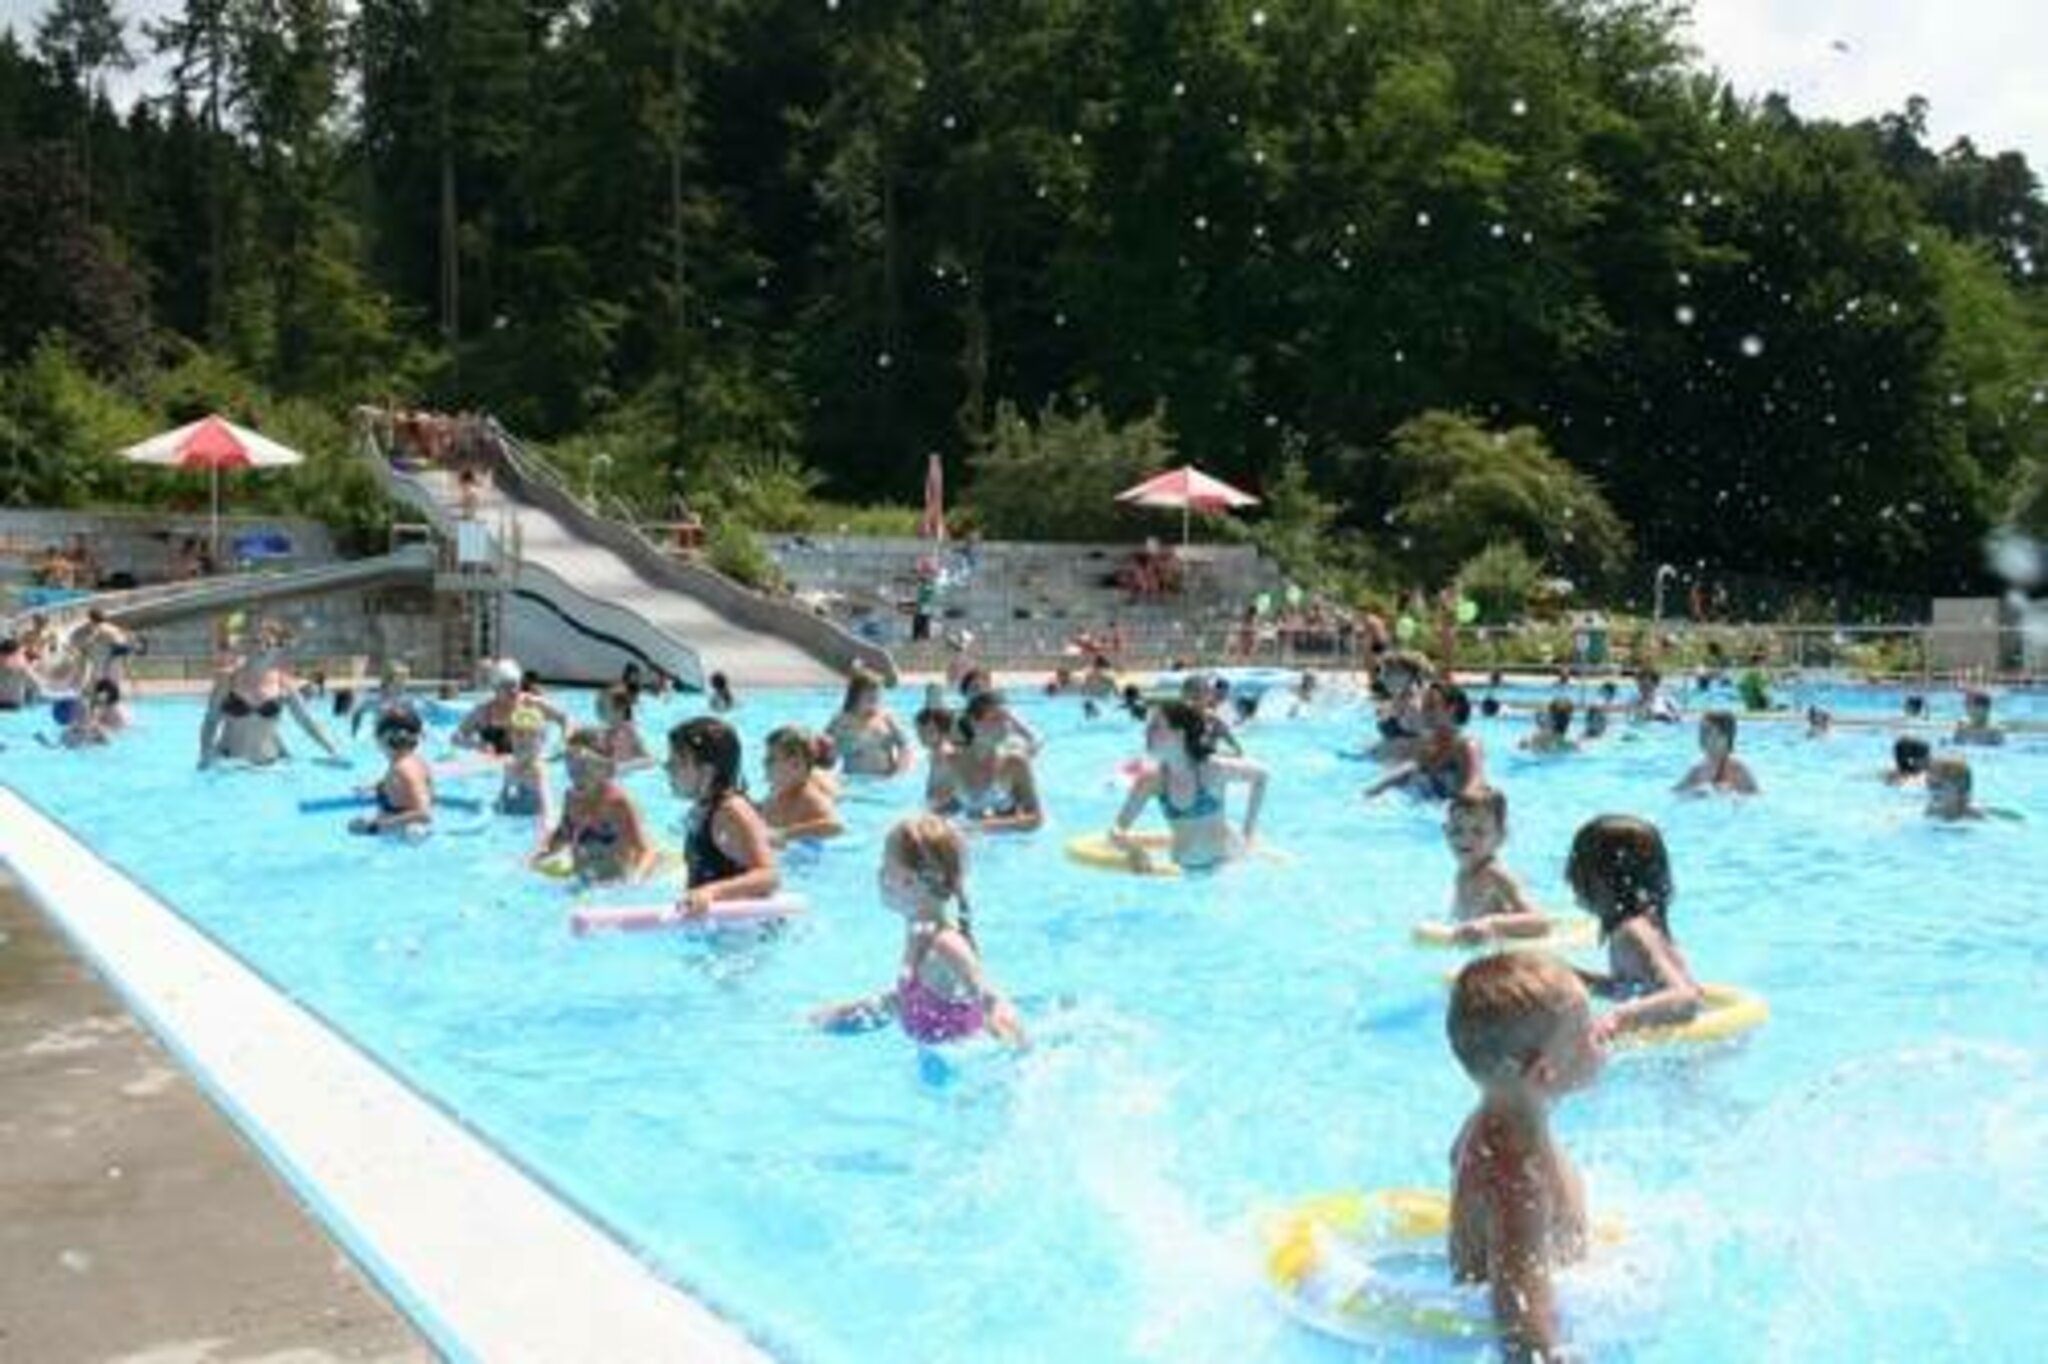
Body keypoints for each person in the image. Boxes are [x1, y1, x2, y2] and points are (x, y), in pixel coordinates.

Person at [1446, 951, 1603, 1362]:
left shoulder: (1497, 1114)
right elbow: (1520, 1323)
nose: (1603, 1032)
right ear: (1545, 1073)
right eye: (1588, 1032)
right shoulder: (1518, 1182)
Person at [811, 815, 1026, 1048]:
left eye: (886, 865)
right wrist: (833, 1018)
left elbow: (993, 1001)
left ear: (911, 881)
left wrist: (1017, 1055)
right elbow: (903, 1000)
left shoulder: (946, 945)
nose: (879, 873)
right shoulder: (921, 933)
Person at [1565, 815, 1705, 1040]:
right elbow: (1633, 988)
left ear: (1605, 880)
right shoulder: (1645, 926)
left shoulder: (1632, 933)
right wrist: (1577, 978)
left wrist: (1617, 1019)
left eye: (1578, 866)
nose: (1570, 877)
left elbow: (1686, 998)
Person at [1106, 700, 1268, 871]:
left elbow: (1262, 775)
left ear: (1179, 734)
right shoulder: (1152, 780)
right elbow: (1115, 830)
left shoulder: (1212, 770)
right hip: (1182, 868)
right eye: (1147, 727)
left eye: (1155, 727)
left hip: (1226, 865)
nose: (1146, 733)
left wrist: (1248, 833)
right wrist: (1133, 850)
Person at [666, 717, 779, 914]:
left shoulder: (731, 812)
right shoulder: (702, 809)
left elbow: (769, 876)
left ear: (707, 772)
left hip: (748, 935)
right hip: (720, 930)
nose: (667, 768)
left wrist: (710, 892)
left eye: (678, 762)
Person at [199, 620, 342, 768]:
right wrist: (204, 756)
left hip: (268, 765)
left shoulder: (283, 684)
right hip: (227, 762)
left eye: (268, 643)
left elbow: (306, 722)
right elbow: (210, 721)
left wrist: (333, 751)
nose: (261, 648)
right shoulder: (228, 679)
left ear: (277, 649)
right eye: (256, 641)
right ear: (246, 645)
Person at [535, 728, 658, 883]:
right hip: (585, 879)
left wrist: (636, 880)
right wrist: (542, 855)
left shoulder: (616, 803)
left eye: (583, 764)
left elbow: (646, 850)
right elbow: (563, 833)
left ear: (603, 767)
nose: (575, 770)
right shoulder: (571, 798)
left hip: (613, 885)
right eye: (570, 762)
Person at [1441, 790, 1552, 944]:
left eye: (1478, 832)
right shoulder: (1462, 873)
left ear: (1501, 837)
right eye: (1457, 830)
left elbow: (1541, 923)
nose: (1465, 839)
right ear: (1445, 831)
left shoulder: (1496, 876)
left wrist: (1492, 924)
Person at [928, 692, 1044, 833]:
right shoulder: (950, 761)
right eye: (996, 719)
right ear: (973, 723)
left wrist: (978, 827)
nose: (1004, 726)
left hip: (1010, 843)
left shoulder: (1015, 762)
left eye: (1007, 719)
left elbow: (1036, 820)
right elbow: (934, 807)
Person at [1364, 681, 1485, 801]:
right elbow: (1408, 772)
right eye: (1424, 706)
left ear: (1451, 709)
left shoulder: (1467, 746)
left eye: (1431, 706)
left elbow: (1474, 786)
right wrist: (1375, 791)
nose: (1425, 712)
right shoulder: (1427, 746)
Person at [349, 706, 435, 837]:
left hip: (404, 839)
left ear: (381, 739)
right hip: (402, 834)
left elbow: (424, 814)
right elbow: (403, 787)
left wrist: (373, 826)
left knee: (353, 827)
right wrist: (374, 787)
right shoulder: (414, 762)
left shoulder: (402, 770)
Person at [454, 659, 567, 756]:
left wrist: (563, 741)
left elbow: (563, 718)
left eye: (515, 685)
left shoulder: (531, 704)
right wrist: (477, 745)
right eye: (506, 686)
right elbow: (456, 737)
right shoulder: (483, 712)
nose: (513, 691)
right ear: (495, 689)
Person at [761, 725, 845, 844]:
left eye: (771, 759)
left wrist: (786, 834)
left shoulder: (809, 797)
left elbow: (836, 826)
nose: (763, 762)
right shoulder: (777, 791)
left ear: (796, 765)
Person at [824, 669, 913, 777]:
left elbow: (905, 745)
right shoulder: (840, 721)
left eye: (877, 694)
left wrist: (900, 773)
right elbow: (823, 751)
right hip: (854, 781)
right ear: (855, 696)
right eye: (869, 694)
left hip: (884, 780)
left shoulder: (887, 719)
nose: (875, 696)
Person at [1675, 710, 1760, 795]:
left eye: (1716, 736)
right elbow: (1676, 793)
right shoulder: (1698, 770)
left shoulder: (1738, 770)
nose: (1709, 740)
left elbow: (1755, 796)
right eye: (1704, 734)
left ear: (1728, 740)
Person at [495, 705, 552, 828]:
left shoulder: (537, 770)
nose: (525, 739)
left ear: (542, 739)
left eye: (532, 734)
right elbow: (505, 795)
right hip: (514, 816)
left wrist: (547, 822)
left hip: (532, 820)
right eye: (519, 734)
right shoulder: (509, 766)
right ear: (511, 738)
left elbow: (547, 801)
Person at [350, 660, 415, 739]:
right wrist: (354, 731)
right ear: (388, 681)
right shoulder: (375, 699)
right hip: (382, 734)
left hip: (399, 732)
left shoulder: (406, 699)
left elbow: (413, 719)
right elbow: (358, 711)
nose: (402, 685)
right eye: (399, 681)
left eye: (404, 681)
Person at [596, 683, 653, 771]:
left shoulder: (629, 732)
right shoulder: (603, 733)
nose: (598, 711)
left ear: (620, 710)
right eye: (599, 707)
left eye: (602, 707)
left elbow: (649, 761)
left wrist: (624, 767)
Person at [1925, 755, 1987, 822]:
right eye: (1931, 788)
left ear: (1960, 789)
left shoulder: (1977, 815)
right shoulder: (1932, 812)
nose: (1933, 794)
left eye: (1938, 787)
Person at [0, 638, 43, 711]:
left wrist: (31, 703)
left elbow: (36, 687)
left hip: (14, 704)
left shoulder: (24, 670)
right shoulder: (23, 669)